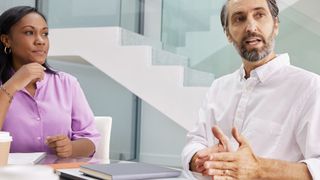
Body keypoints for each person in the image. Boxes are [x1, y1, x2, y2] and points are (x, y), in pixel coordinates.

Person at [182, 0, 320, 179]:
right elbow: (194, 143)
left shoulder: (310, 87)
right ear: (228, 34)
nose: (251, 26)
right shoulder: (218, 87)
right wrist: (203, 159)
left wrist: (259, 169)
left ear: (276, 25)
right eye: (239, 18)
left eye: (259, 15)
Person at [0, 6, 100, 158]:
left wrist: (70, 148)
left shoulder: (67, 83)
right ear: (7, 40)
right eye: (29, 32)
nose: (40, 41)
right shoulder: (5, 86)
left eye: (45, 34)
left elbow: (91, 139)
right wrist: (12, 85)